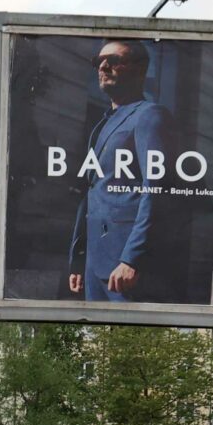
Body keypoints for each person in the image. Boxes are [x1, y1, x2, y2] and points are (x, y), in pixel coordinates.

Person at [63, 40, 180, 303]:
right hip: (96, 264)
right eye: (99, 62)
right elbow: (93, 192)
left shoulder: (149, 116)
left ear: (140, 70)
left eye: (114, 60)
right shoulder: (104, 123)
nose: (103, 66)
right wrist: (79, 258)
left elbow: (157, 191)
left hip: (125, 268)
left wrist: (132, 258)